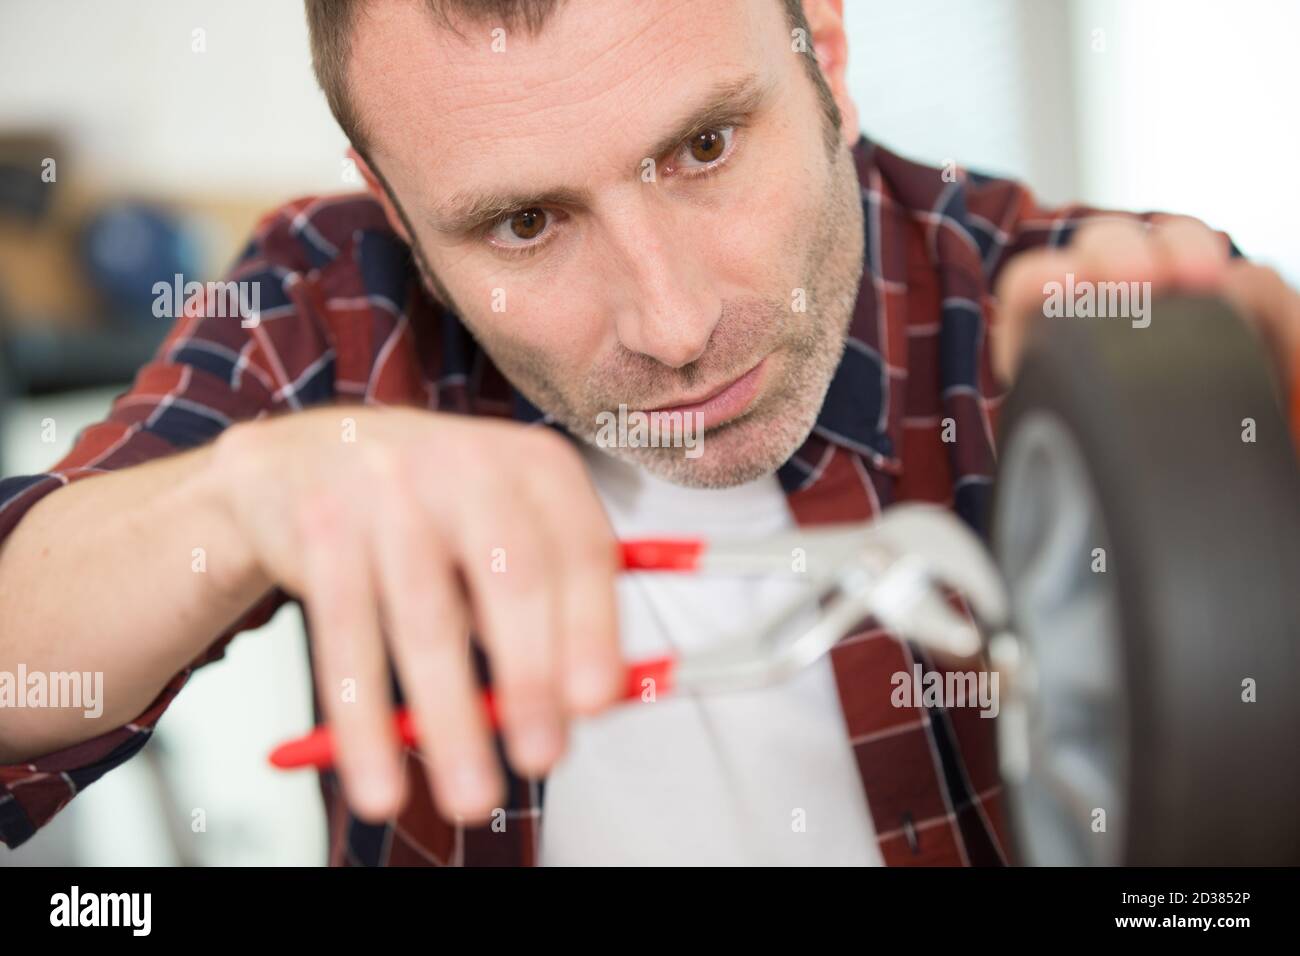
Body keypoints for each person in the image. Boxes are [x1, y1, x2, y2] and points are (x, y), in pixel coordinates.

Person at [1, 0, 1296, 866]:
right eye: (524, 224)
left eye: (708, 145)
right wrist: (232, 506)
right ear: (391, 205)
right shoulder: (329, 311)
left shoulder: (1091, 321)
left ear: (825, 53)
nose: (673, 326)